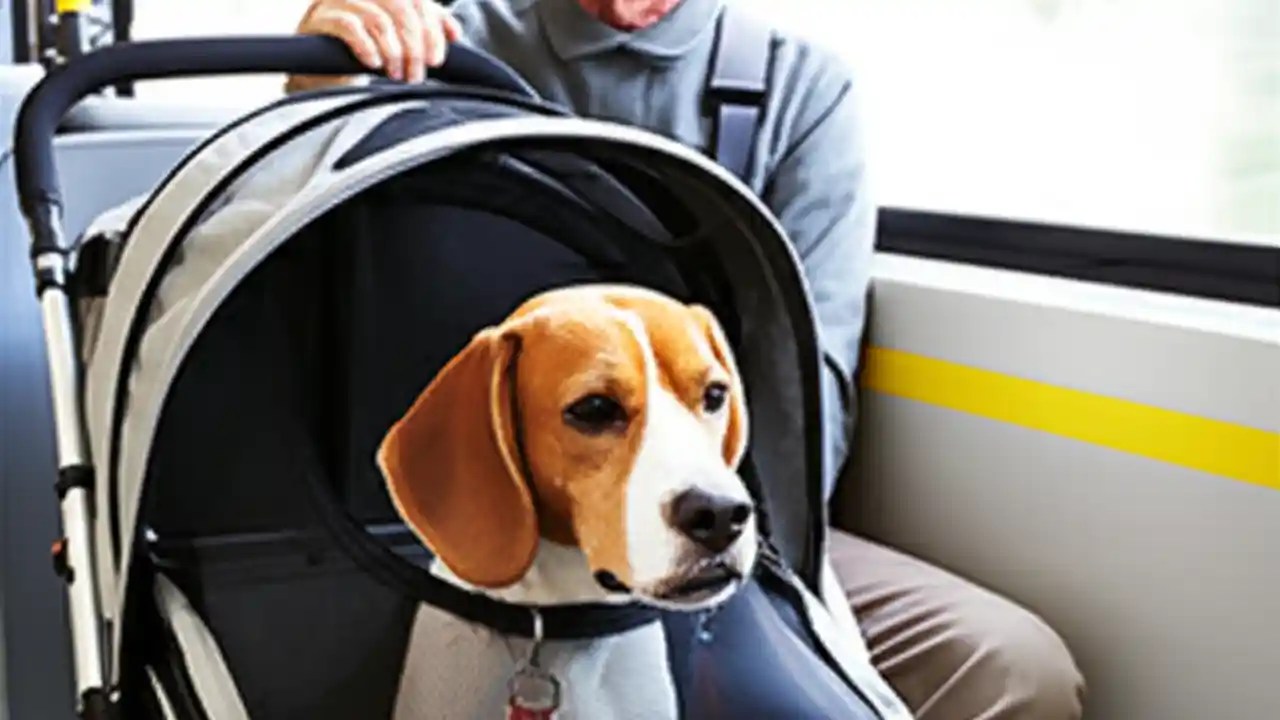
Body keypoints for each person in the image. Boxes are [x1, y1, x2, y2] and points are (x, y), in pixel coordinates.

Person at [287, 1, 1086, 717]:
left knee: (1012, 667)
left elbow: (801, 395)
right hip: (474, 494)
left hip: (744, 506)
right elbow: (314, 278)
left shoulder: (798, 87)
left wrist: (736, 563)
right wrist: (316, 90)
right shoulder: (434, 45)